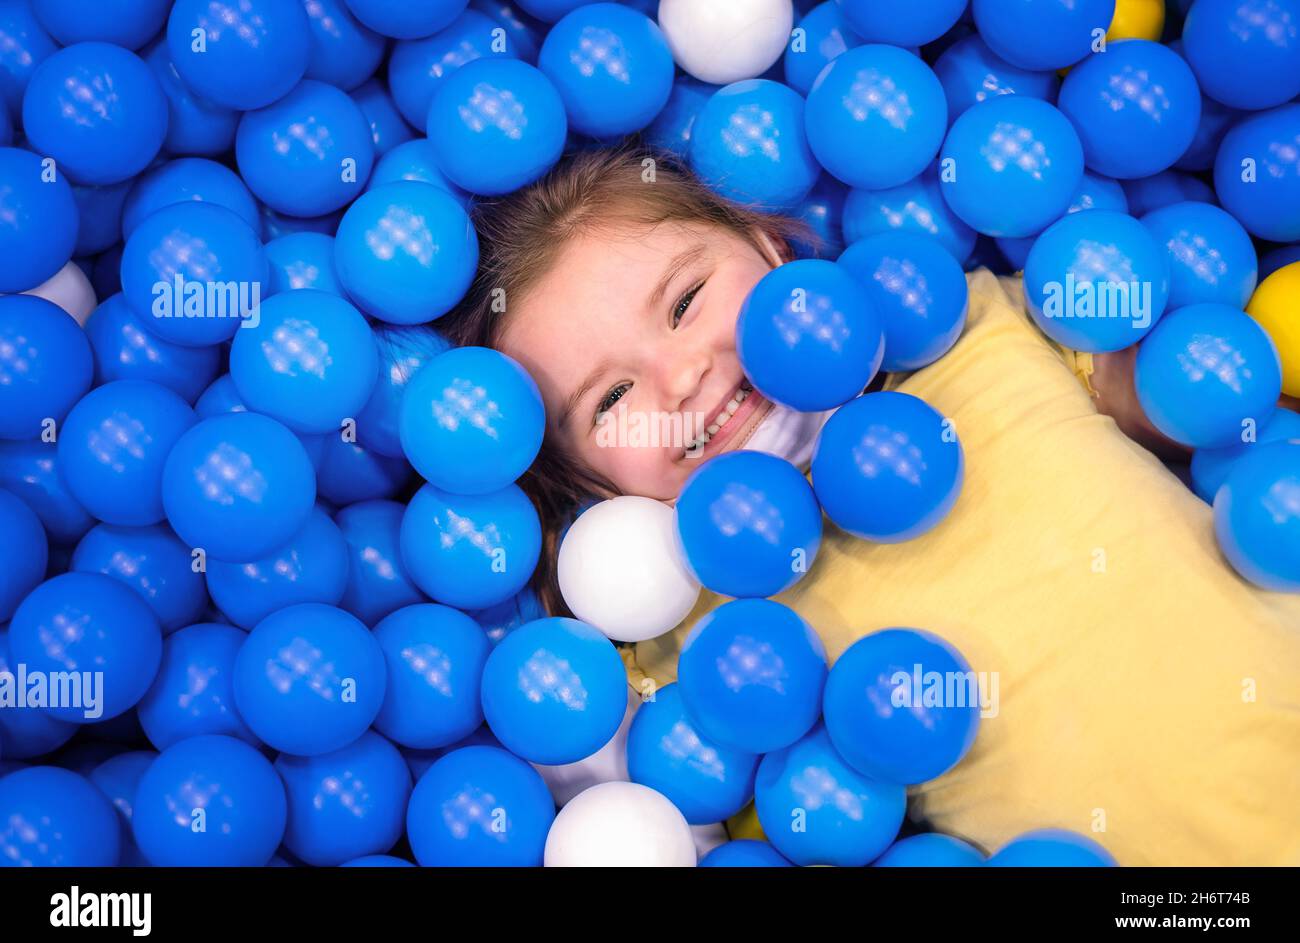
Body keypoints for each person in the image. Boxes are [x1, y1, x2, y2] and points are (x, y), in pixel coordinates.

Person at [438, 144, 1300, 866]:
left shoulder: (977, 335)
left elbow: (1194, 401)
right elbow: (612, 795)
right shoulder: (692, 626)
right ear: (593, 487)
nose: (683, 377)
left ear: (771, 251)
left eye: (686, 302)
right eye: (611, 397)